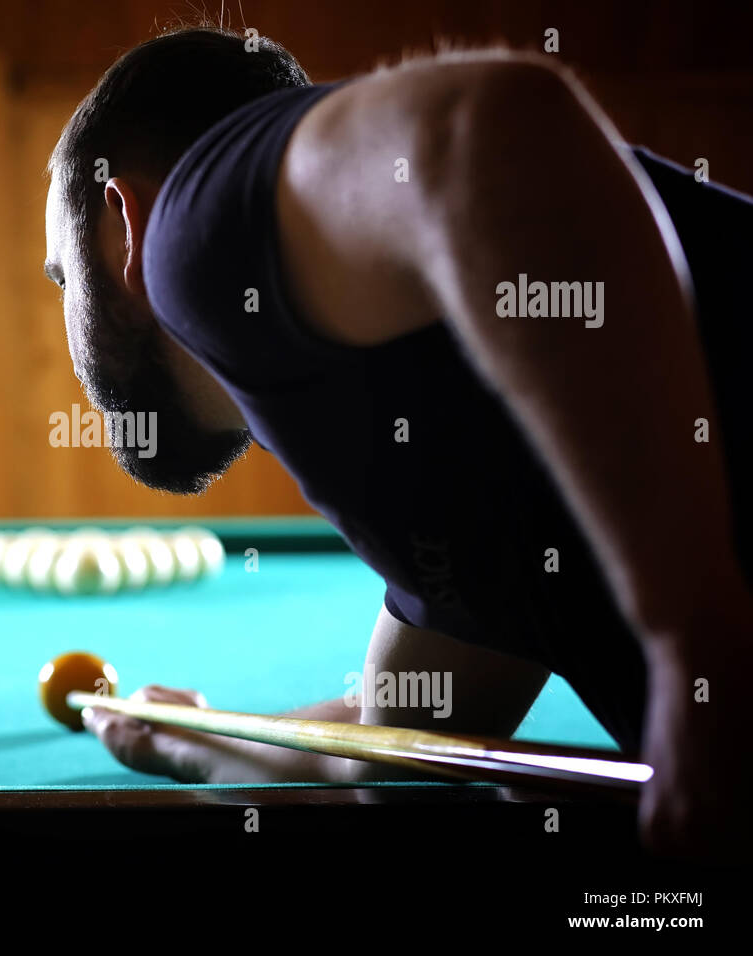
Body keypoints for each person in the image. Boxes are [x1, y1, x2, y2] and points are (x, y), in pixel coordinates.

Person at [42, 25, 753, 857]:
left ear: (124, 225)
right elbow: (388, 756)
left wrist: (694, 644)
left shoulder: (189, 234)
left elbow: (497, 121)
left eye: (59, 275)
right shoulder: (426, 448)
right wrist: (188, 739)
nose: (64, 315)